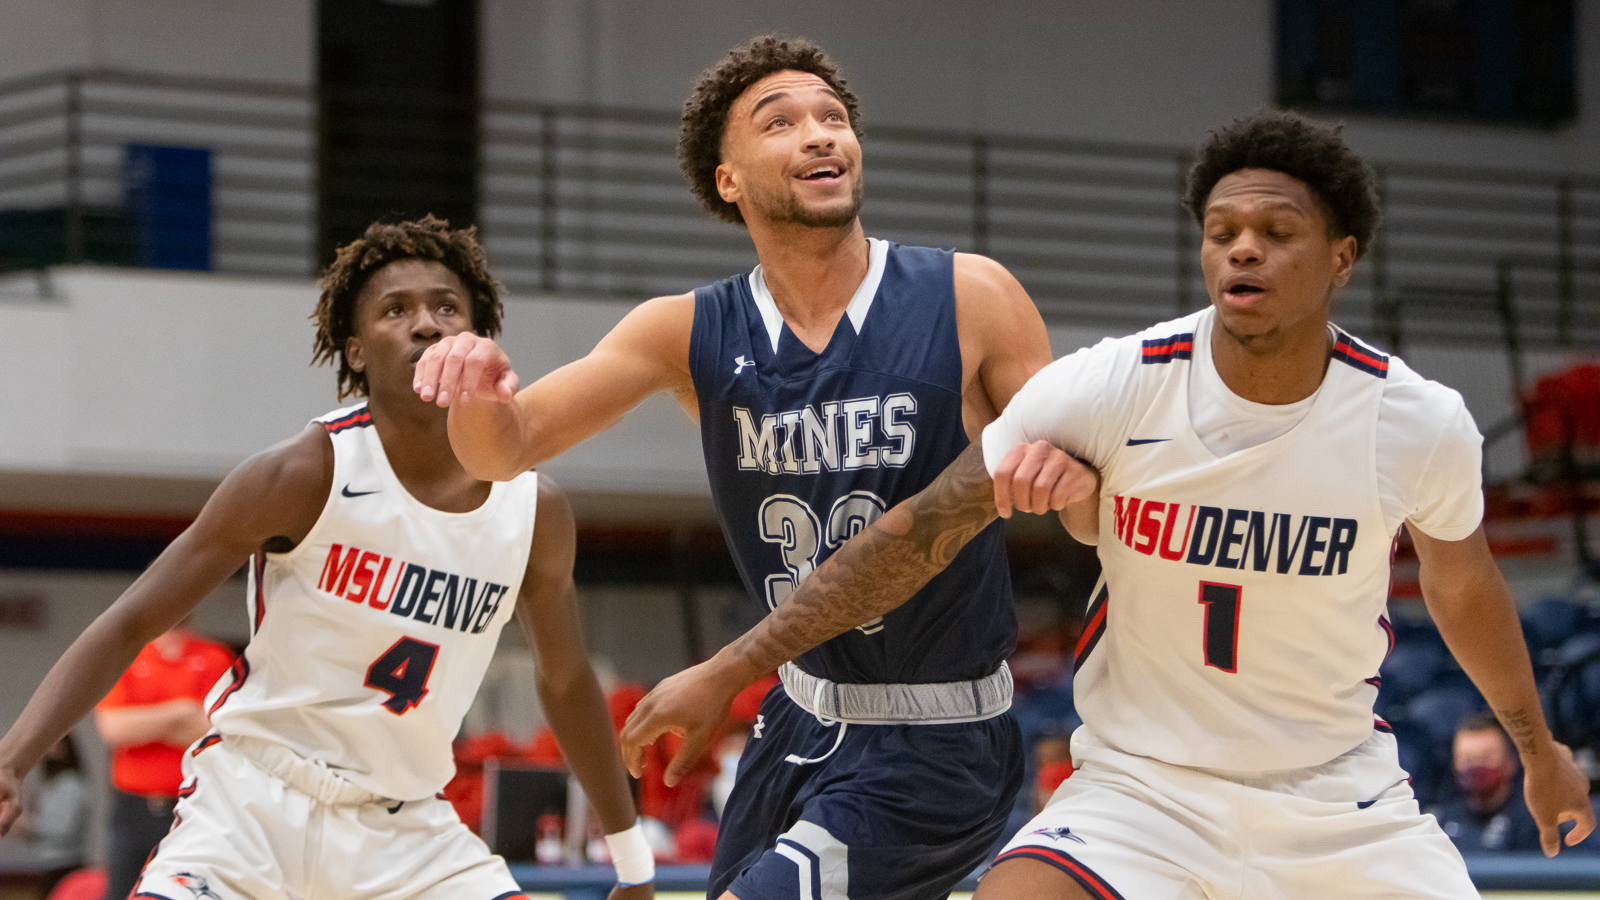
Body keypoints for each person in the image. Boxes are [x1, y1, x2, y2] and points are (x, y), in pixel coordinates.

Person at [618, 110, 1598, 899]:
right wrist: (734, 667)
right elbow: (914, 531)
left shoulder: (1416, 421)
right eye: (1222, 234)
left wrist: (1537, 748)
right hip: (1141, 794)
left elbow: (1464, 591)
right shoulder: (1114, 387)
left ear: (1341, 258)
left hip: (1337, 797)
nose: (1242, 252)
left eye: (1275, 233)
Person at [413, 35, 1097, 900]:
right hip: (797, 715)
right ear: (727, 178)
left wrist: (1075, 484)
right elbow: (504, 449)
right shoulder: (687, 330)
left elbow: (1083, 506)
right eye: (782, 122)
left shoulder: (969, 296)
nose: (820, 135)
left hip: (938, 735)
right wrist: (475, 385)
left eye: (834, 118)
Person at [0, 217, 654, 900]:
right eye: (395, 310)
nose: (425, 323)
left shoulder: (533, 511)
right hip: (252, 809)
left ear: (479, 341)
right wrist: (14, 757)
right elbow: (130, 622)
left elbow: (567, 681)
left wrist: (633, 860)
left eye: (446, 307)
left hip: (406, 833)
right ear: (357, 350)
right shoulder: (302, 473)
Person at [93, 621, 233, 900]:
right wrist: (181, 712)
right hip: (133, 807)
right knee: (122, 893)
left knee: (195, 893)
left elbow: (220, 730)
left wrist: (145, 724)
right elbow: (113, 728)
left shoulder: (215, 656)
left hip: (194, 807)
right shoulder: (129, 653)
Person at [1435, 711, 1597, 854]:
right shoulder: (1442, 820)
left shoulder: (1533, 823)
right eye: (1467, 759)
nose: (1476, 767)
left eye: (1486, 758)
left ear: (1510, 762)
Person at [0, 735, 89, 895]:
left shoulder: (69, 783)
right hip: (50, 866)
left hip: (65, 867)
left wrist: (24, 823)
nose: (48, 750)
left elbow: (61, 829)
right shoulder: (52, 785)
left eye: (55, 745)